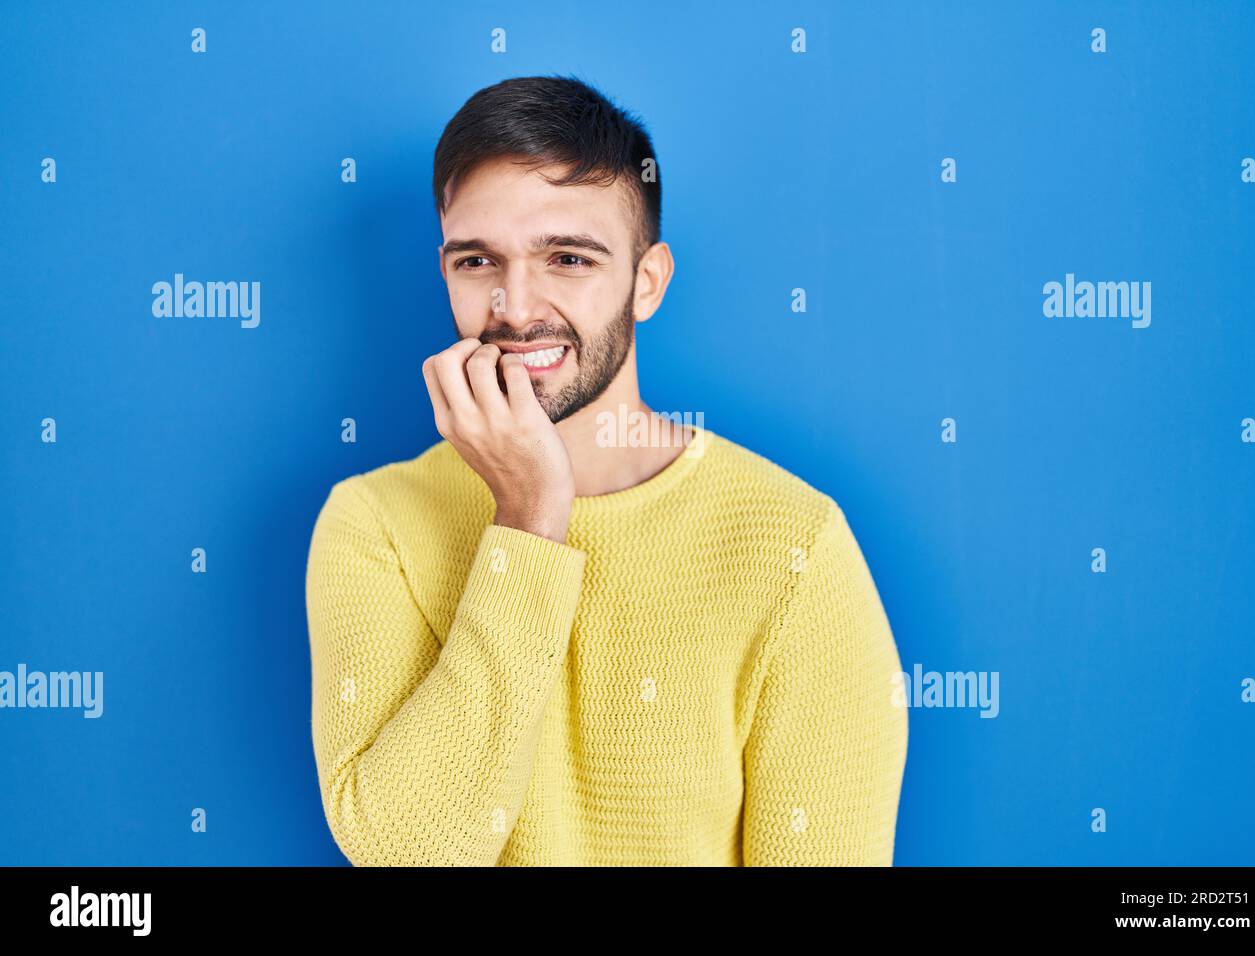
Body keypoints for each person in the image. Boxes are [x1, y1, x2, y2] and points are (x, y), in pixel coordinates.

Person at [305, 74, 908, 866]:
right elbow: (407, 854)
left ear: (646, 282)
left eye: (568, 258)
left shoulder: (796, 547)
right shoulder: (373, 524)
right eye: (478, 260)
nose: (516, 307)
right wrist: (530, 518)